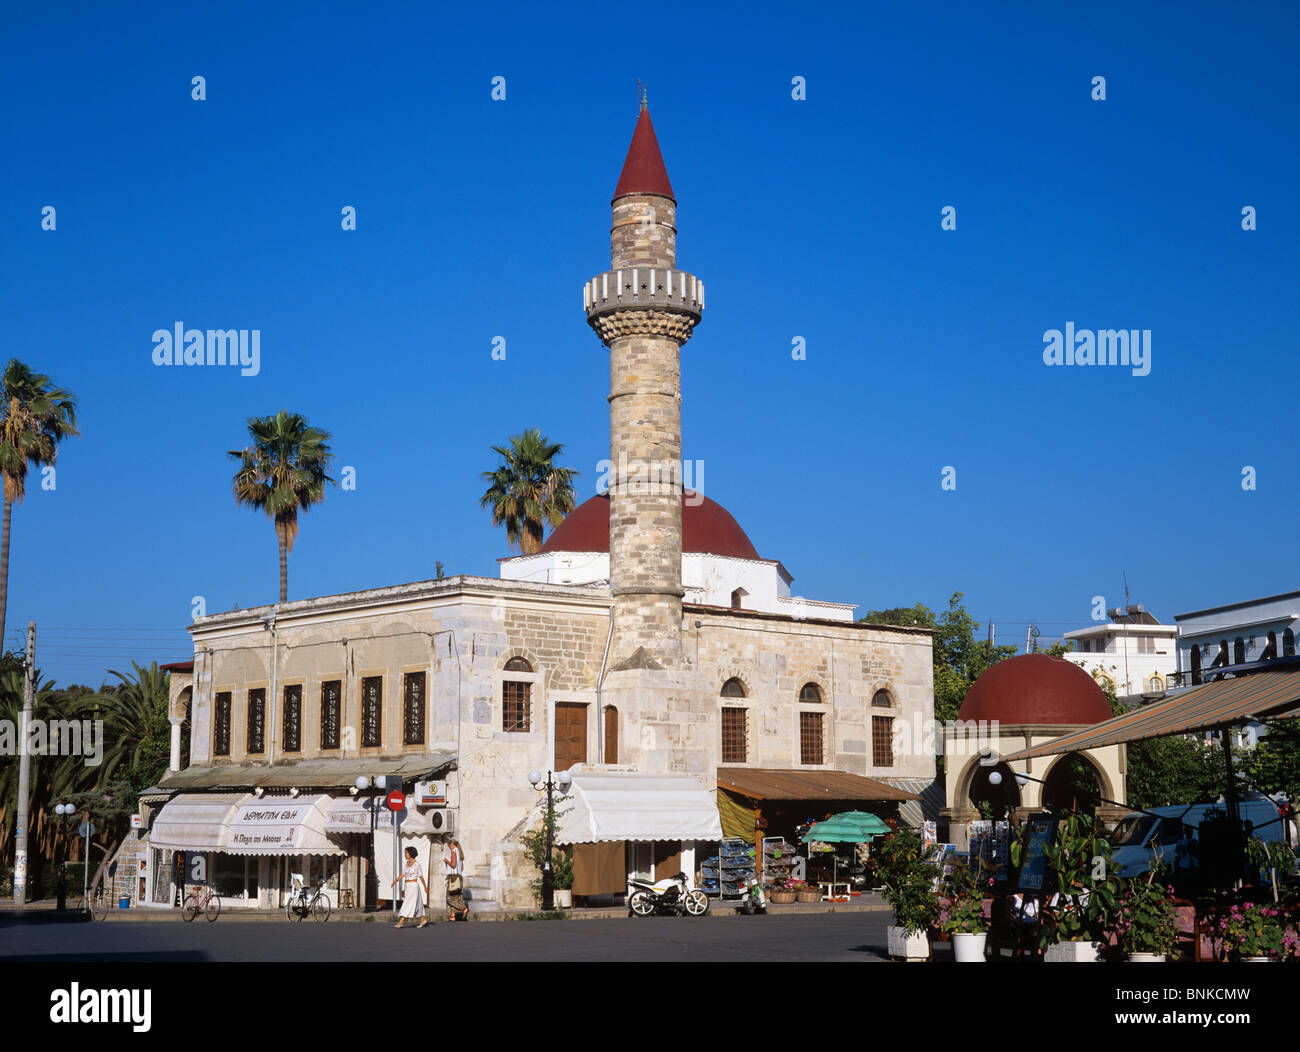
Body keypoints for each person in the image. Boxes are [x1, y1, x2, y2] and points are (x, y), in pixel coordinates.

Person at [391, 846, 428, 929]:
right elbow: (403, 874)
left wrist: (425, 887)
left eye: (406, 853)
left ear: (411, 853)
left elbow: (421, 876)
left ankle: (401, 921)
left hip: (413, 886)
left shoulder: (417, 864)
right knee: (416, 904)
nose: (405, 854)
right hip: (407, 886)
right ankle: (422, 919)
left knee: (407, 903)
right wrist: (395, 881)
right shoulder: (407, 864)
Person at [444, 838, 467, 921]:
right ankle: (452, 916)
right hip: (459, 876)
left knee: (449, 897)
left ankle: (463, 908)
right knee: (457, 895)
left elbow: (453, 865)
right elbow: (462, 867)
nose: (449, 847)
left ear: (451, 844)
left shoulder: (453, 851)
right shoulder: (460, 853)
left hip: (453, 876)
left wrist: (447, 861)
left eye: (449, 846)